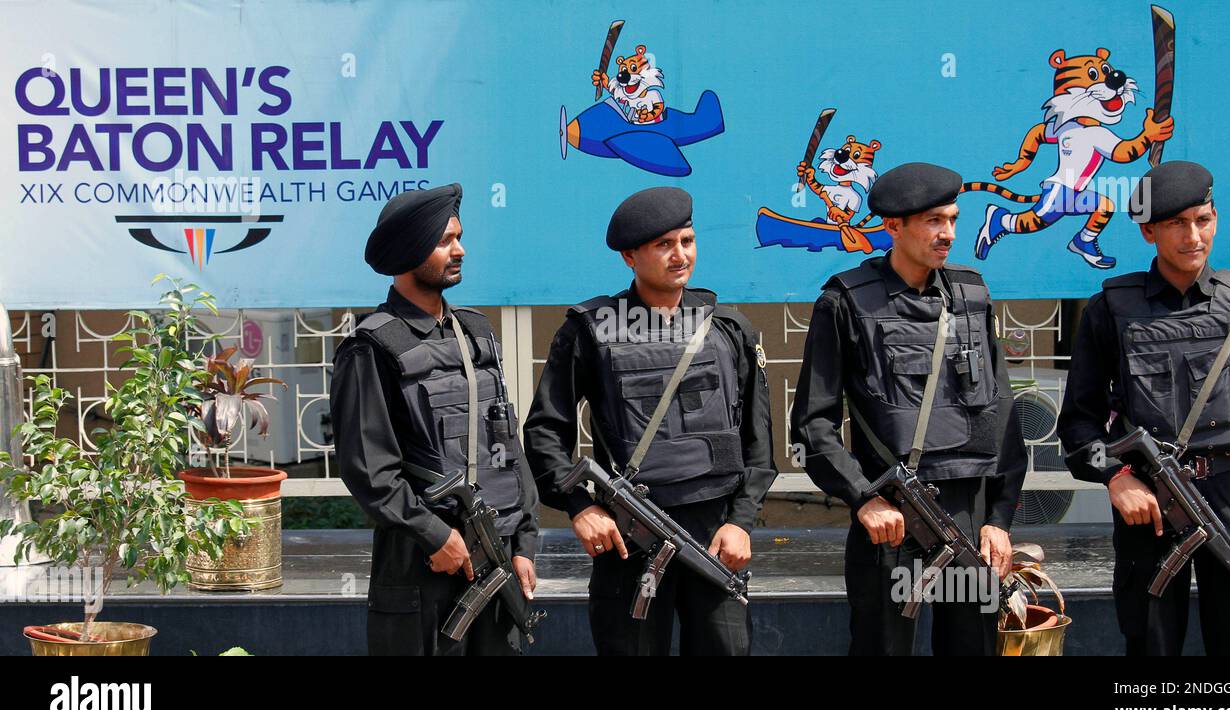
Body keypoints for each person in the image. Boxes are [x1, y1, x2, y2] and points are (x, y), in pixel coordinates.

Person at [1058, 161, 1230, 655]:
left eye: (1203, 219)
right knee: (1150, 641)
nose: (1193, 236)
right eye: (1175, 224)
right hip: (1151, 498)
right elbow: (1079, 423)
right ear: (1148, 231)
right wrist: (1115, 477)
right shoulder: (1110, 311)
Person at [523, 186, 776, 655]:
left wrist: (742, 521)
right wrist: (579, 506)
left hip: (715, 533)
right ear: (629, 256)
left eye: (687, 241)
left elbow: (758, 442)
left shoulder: (729, 329)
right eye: (664, 245)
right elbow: (544, 432)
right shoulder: (591, 329)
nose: (680, 256)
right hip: (630, 537)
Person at [790, 163, 1026, 656]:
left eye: (954, 219)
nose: (948, 234)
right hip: (892, 514)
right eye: (934, 221)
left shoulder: (972, 296)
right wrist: (863, 498)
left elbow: (1002, 414)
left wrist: (999, 517)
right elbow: (814, 423)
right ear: (894, 226)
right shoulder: (846, 302)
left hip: (968, 513)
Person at [330, 183, 540, 655]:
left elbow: (505, 444)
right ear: (409, 249)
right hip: (420, 566)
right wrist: (434, 535)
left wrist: (524, 541)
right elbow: (369, 471)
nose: (459, 249)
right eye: (444, 240)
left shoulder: (475, 331)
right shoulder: (371, 347)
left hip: (497, 556)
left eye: (458, 237)